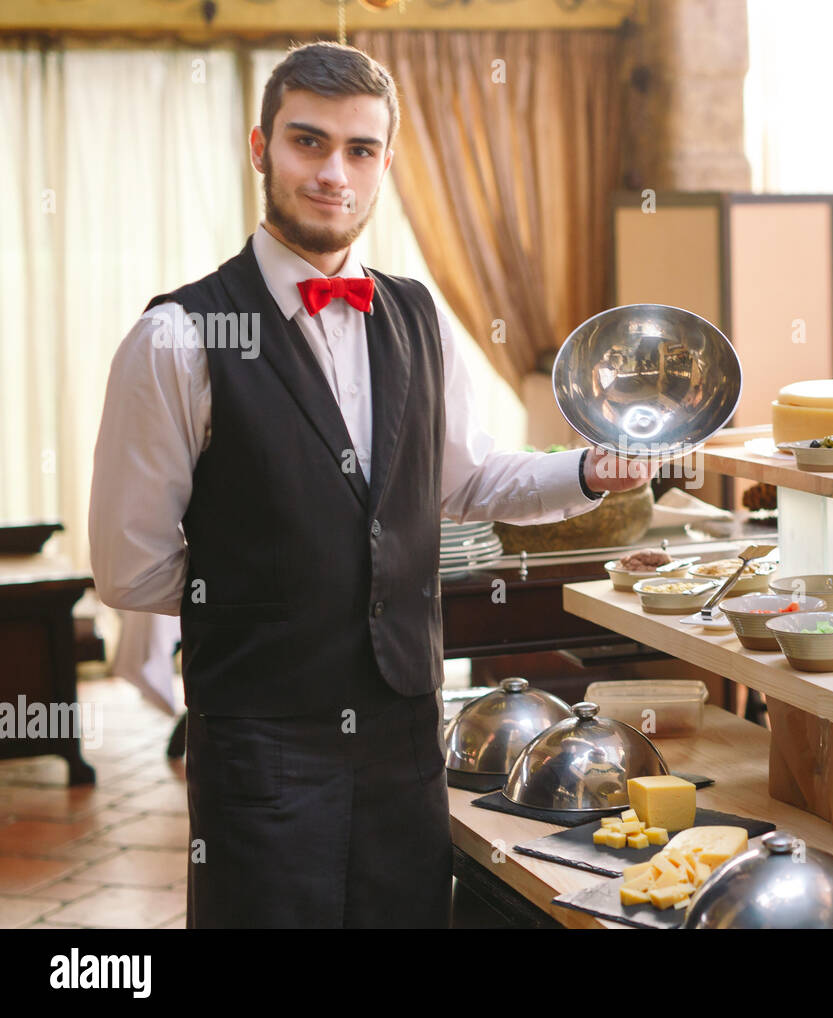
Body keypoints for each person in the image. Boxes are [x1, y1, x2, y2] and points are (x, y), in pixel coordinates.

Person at [88, 41, 648, 928]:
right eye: (308, 143)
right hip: (261, 739)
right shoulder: (177, 338)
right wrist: (276, 600)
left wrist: (589, 469)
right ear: (260, 147)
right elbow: (129, 566)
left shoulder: (418, 314)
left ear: (387, 162)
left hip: (403, 733)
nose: (332, 173)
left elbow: (466, 478)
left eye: (360, 150)